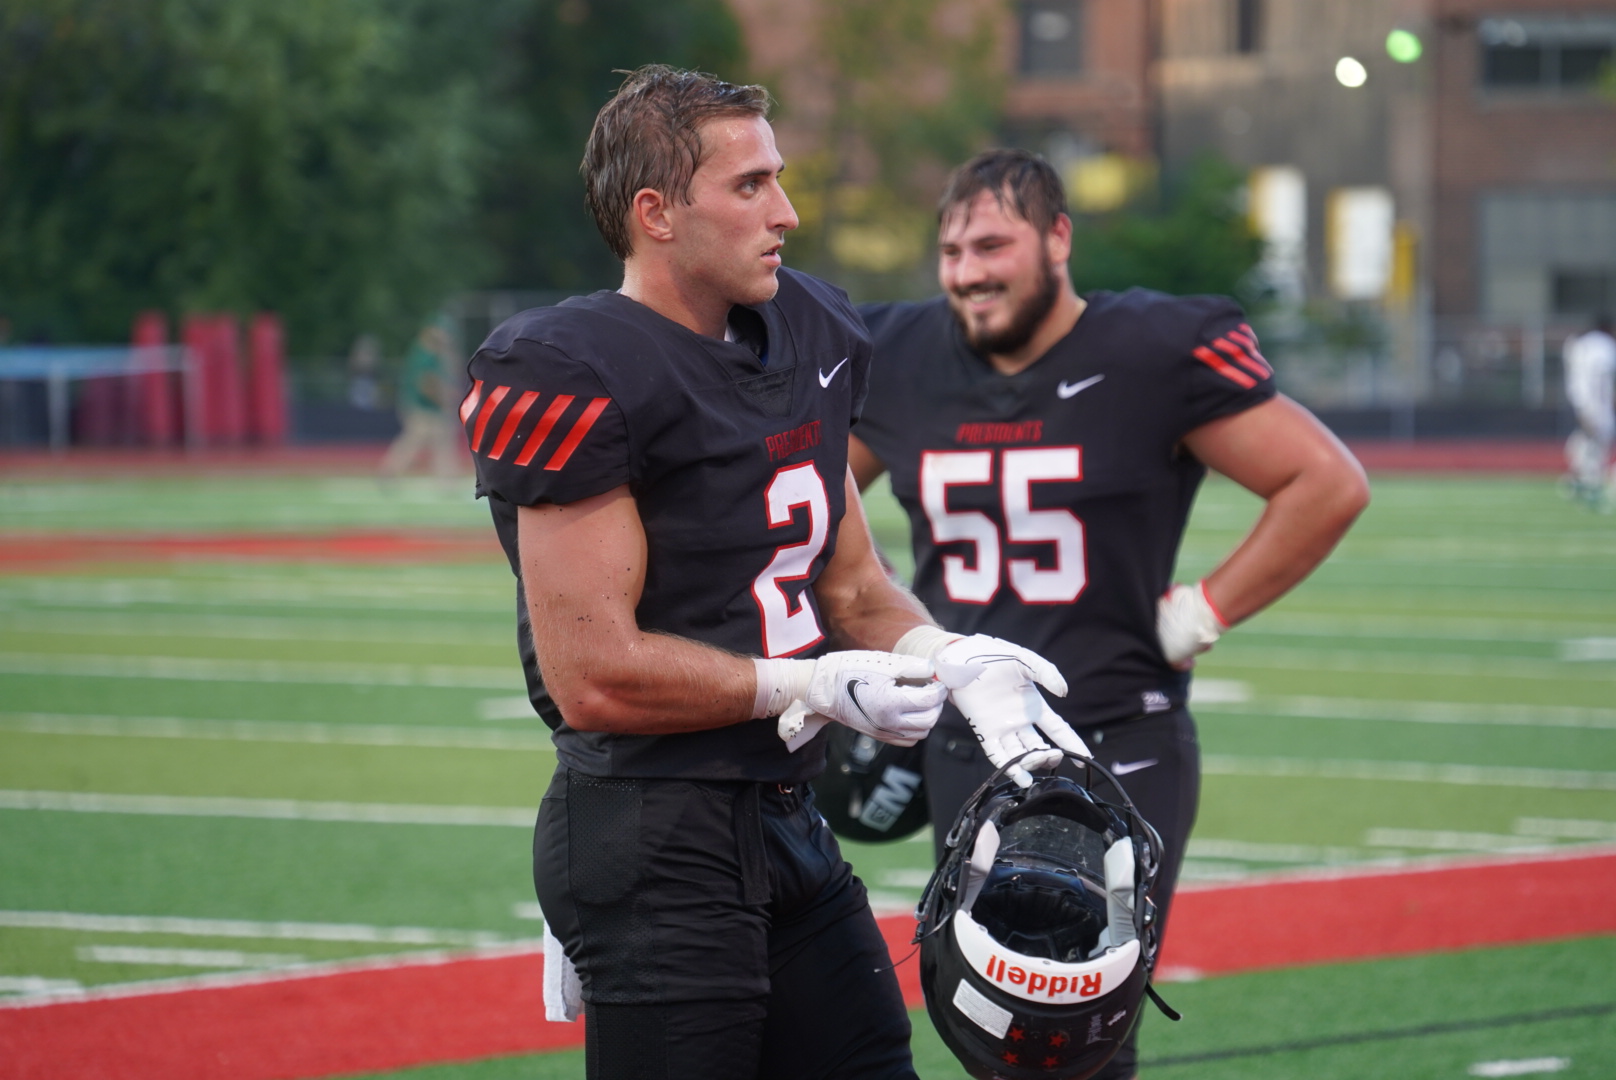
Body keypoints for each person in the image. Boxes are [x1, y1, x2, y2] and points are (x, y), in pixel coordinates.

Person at [461, 69, 1087, 1080]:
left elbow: (849, 587)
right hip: (652, 831)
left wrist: (952, 656)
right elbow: (593, 674)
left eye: (777, 179)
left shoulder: (809, 332)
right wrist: (798, 682)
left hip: (784, 813)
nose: (784, 213)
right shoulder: (574, 366)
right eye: (748, 185)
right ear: (654, 214)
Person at [850, 149, 1370, 1080]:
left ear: (1058, 238)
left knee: (1078, 1027)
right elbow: (812, 512)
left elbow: (1323, 481)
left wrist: (1200, 613)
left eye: (993, 244)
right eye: (952, 249)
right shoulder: (899, 357)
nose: (968, 271)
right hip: (972, 739)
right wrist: (880, 633)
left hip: (1119, 734)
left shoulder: (1150, 348)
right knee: (982, 1023)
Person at [379, 318, 461, 482]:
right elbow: (426, 384)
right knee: (419, 440)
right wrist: (443, 401)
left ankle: (447, 476)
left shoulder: (425, 352)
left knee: (438, 440)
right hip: (423, 406)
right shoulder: (426, 355)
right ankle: (390, 471)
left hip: (423, 405)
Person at [1562, 313, 1615, 509]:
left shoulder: (1579, 343)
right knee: (1598, 439)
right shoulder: (1603, 345)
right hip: (1597, 401)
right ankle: (1591, 483)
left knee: (1585, 439)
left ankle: (1578, 478)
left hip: (1578, 397)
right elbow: (1602, 377)